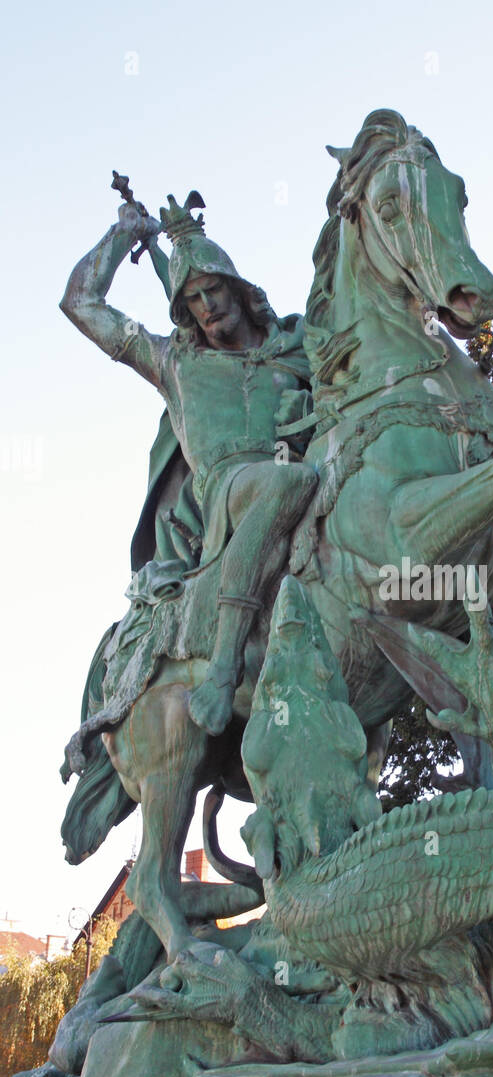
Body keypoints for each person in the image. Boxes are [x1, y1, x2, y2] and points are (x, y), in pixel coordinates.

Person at [61, 193, 317, 736]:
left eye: (214, 290)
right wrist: (124, 233)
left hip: (304, 479)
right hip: (228, 492)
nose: (207, 306)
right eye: (193, 298)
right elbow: (81, 303)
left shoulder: (297, 347)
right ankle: (224, 666)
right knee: (287, 480)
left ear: (239, 289)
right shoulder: (172, 362)